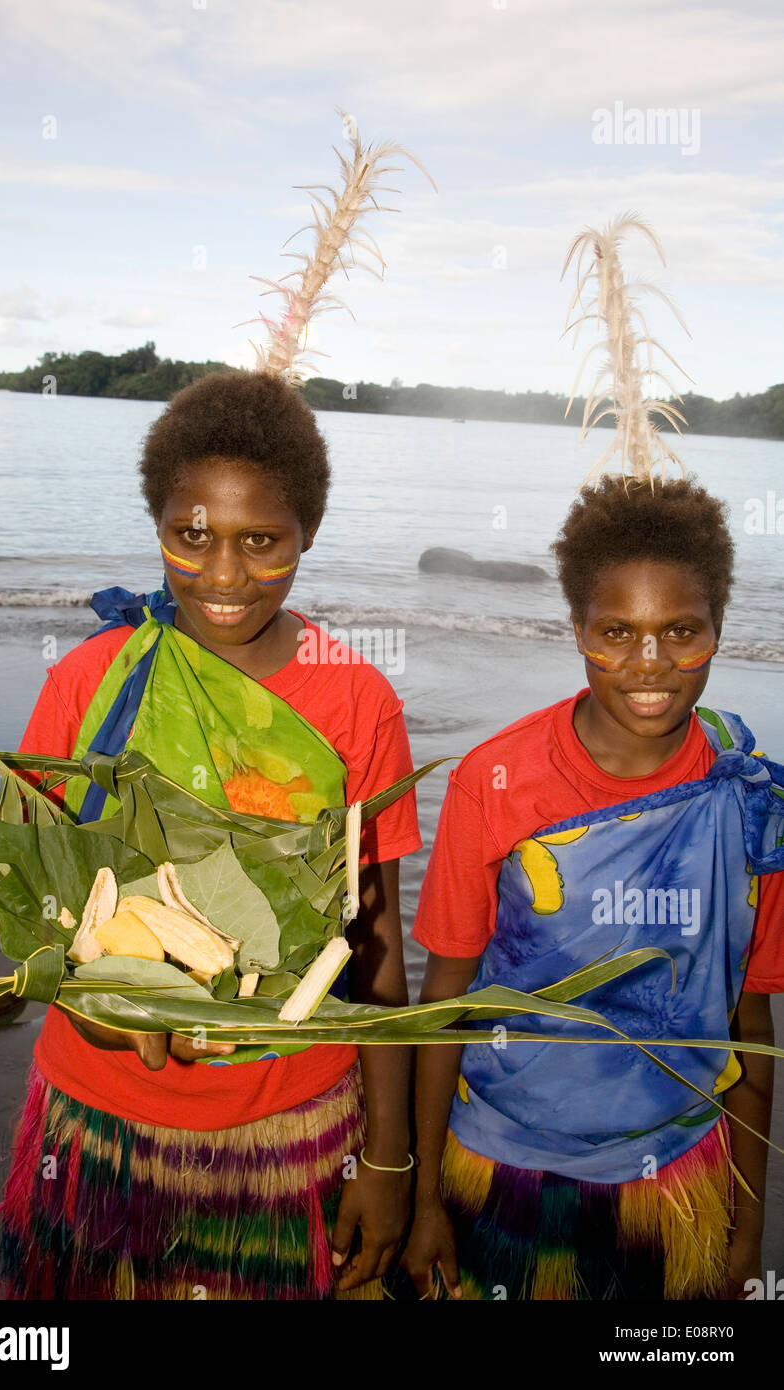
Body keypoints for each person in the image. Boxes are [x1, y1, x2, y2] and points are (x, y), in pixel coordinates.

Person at [0, 369, 422, 1300]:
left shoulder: (355, 701)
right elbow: (29, 897)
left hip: (290, 1119)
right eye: (193, 537)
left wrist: (389, 1162)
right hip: (101, 1114)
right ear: (159, 526)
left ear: (306, 534)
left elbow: (375, 944)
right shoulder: (92, 682)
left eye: (262, 541)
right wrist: (108, 1017)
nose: (225, 576)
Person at [403, 474, 784, 1301]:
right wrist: (423, 1195)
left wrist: (746, 1232)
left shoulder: (749, 802)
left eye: (682, 631)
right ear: (577, 628)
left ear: (720, 631)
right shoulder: (496, 781)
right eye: (618, 631)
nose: (650, 664)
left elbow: (752, 1030)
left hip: (676, 1178)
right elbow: (445, 1001)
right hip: (500, 1167)